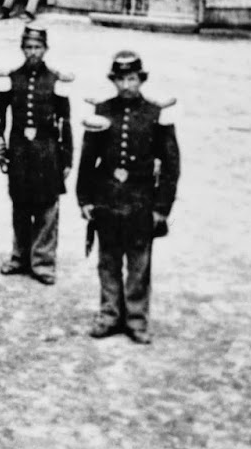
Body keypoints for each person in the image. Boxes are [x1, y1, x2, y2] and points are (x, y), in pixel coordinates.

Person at [77, 51, 179, 344]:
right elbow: (88, 160)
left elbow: (171, 165)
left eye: (131, 78)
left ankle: (136, 320)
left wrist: (162, 206)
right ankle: (109, 315)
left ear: (141, 80)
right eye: (120, 79)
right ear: (114, 81)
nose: (126, 85)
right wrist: (85, 199)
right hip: (107, 201)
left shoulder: (156, 115)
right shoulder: (101, 110)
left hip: (140, 202)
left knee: (138, 264)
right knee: (107, 262)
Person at [0, 26, 73, 285]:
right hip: (20, 151)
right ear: (22, 49)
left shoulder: (55, 80)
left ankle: (43, 262)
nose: (33, 52)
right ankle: (20, 257)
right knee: (20, 203)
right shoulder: (11, 78)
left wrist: (67, 158)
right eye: (28, 48)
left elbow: (64, 120)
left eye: (37, 47)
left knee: (47, 206)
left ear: (45, 49)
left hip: (47, 151)